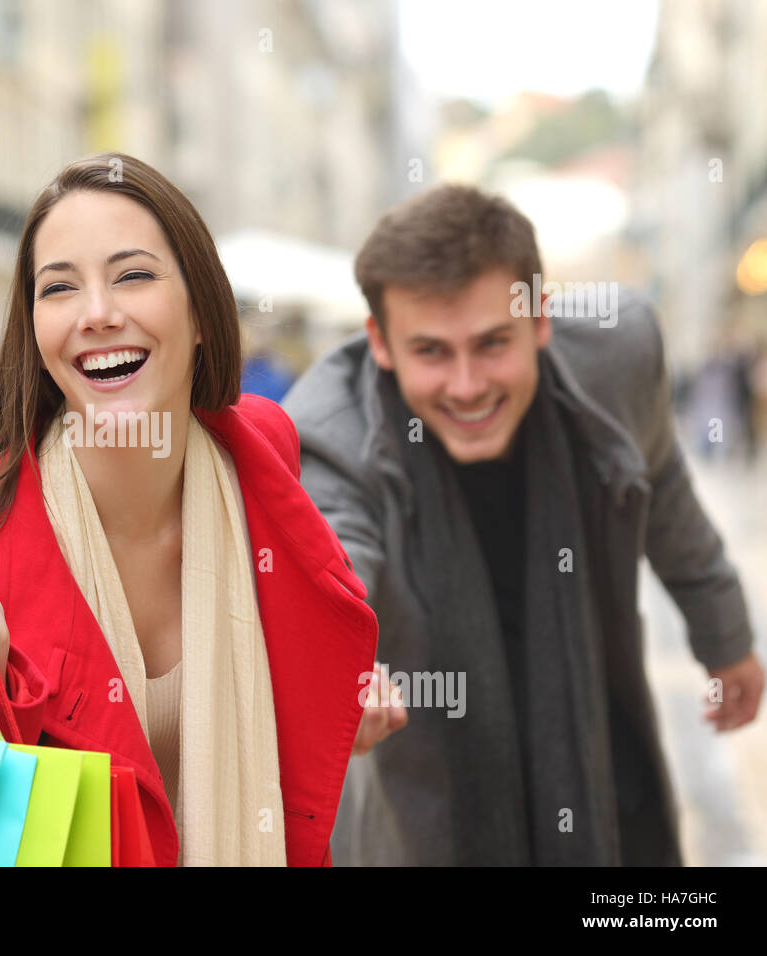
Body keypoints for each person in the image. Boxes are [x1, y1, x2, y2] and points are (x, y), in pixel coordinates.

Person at [0, 153, 384, 867]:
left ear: (201, 312)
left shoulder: (262, 449)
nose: (98, 314)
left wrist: (329, 700)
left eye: (133, 275)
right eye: (60, 288)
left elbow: (297, 655)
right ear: (35, 329)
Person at [283, 184, 764, 865]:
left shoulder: (616, 357)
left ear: (539, 320)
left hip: (597, 742)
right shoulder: (328, 429)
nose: (467, 383)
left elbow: (662, 480)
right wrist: (335, 671)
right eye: (431, 352)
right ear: (380, 344)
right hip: (429, 788)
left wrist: (724, 631)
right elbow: (329, 568)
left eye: (491, 343)